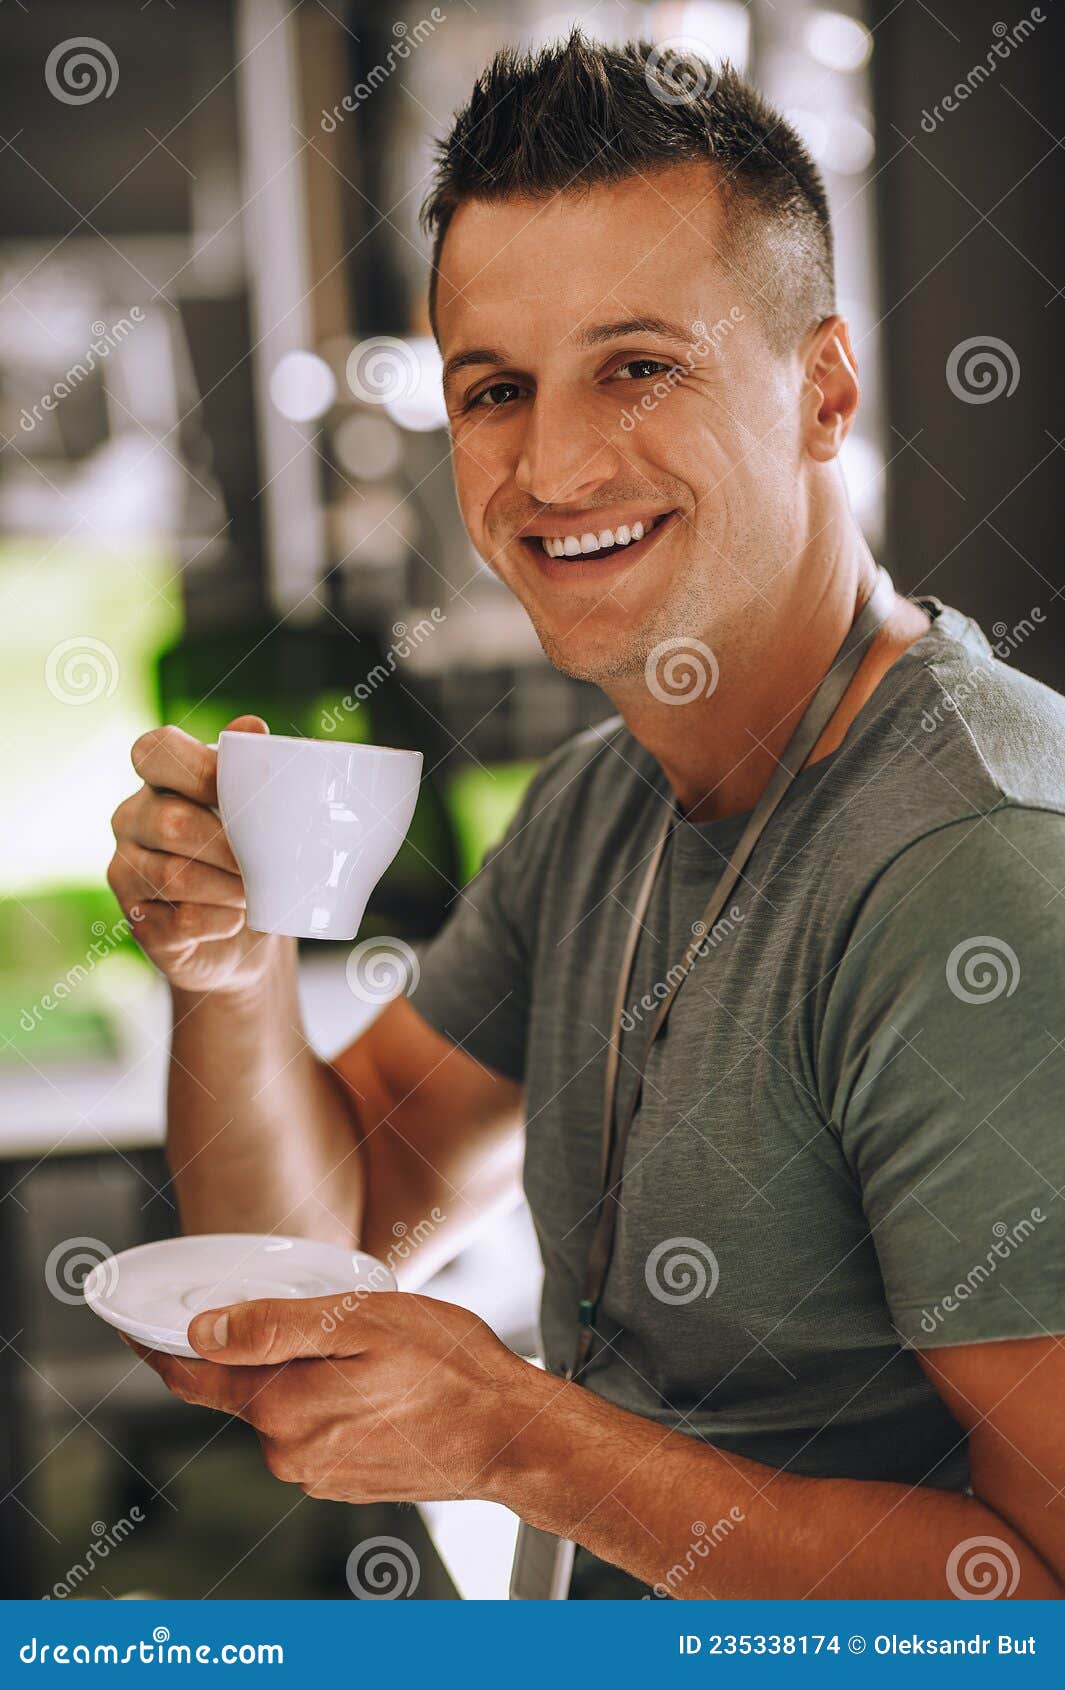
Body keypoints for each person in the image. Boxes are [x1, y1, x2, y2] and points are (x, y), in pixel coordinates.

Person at [107, 33, 1065, 1599]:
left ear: (823, 390)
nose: (551, 465)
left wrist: (515, 1440)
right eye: (496, 389)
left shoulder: (980, 869)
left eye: (638, 365)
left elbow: (1045, 1601)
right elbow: (329, 1224)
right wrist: (231, 972)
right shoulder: (598, 805)